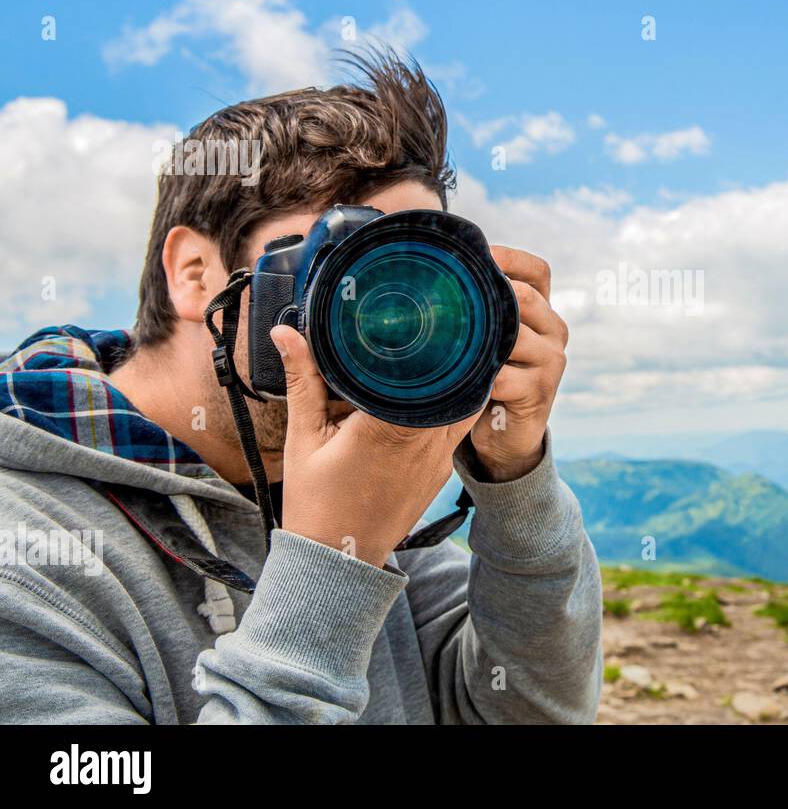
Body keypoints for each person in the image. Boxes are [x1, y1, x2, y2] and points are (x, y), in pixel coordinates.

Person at [0, 51, 603, 723]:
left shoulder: (350, 498)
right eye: (330, 265)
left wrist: (515, 480)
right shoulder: (23, 552)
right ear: (195, 273)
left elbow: (526, 711)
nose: (371, 317)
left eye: (403, 277)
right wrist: (323, 568)